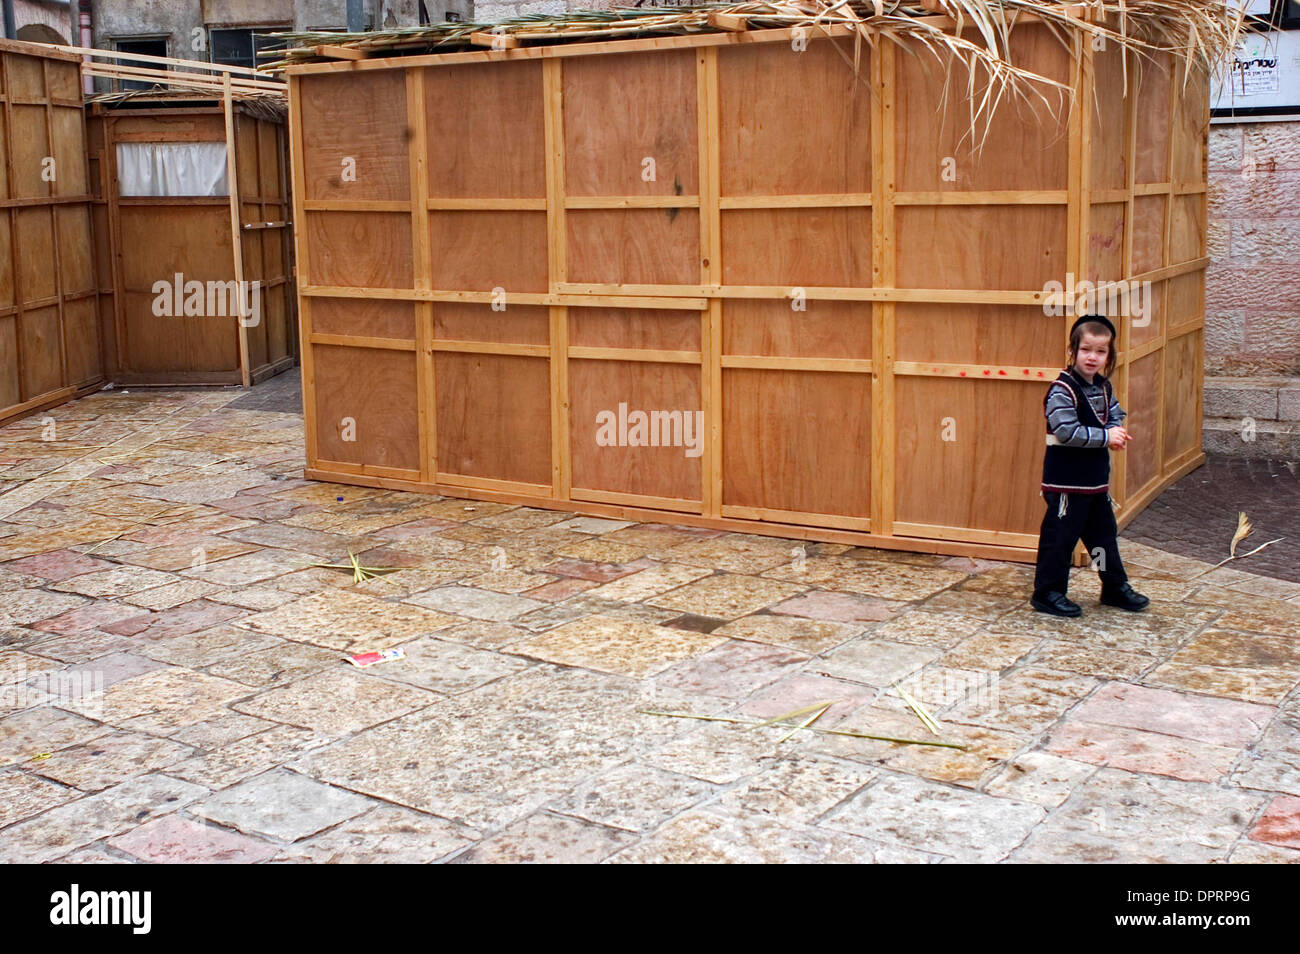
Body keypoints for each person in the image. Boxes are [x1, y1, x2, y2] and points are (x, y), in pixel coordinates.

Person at [1031, 314, 1150, 617]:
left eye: (1100, 351)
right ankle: (1048, 593)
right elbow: (1066, 432)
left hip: (1096, 484)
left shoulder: (1104, 387)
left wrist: (1116, 430)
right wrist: (1106, 436)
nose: (1092, 357)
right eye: (1086, 350)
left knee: (1103, 539)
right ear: (1072, 351)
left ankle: (1114, 586)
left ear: (1109, 355)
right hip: (1066, 485)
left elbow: (1114, 414)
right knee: (1060, 540)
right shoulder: (1062, 390)